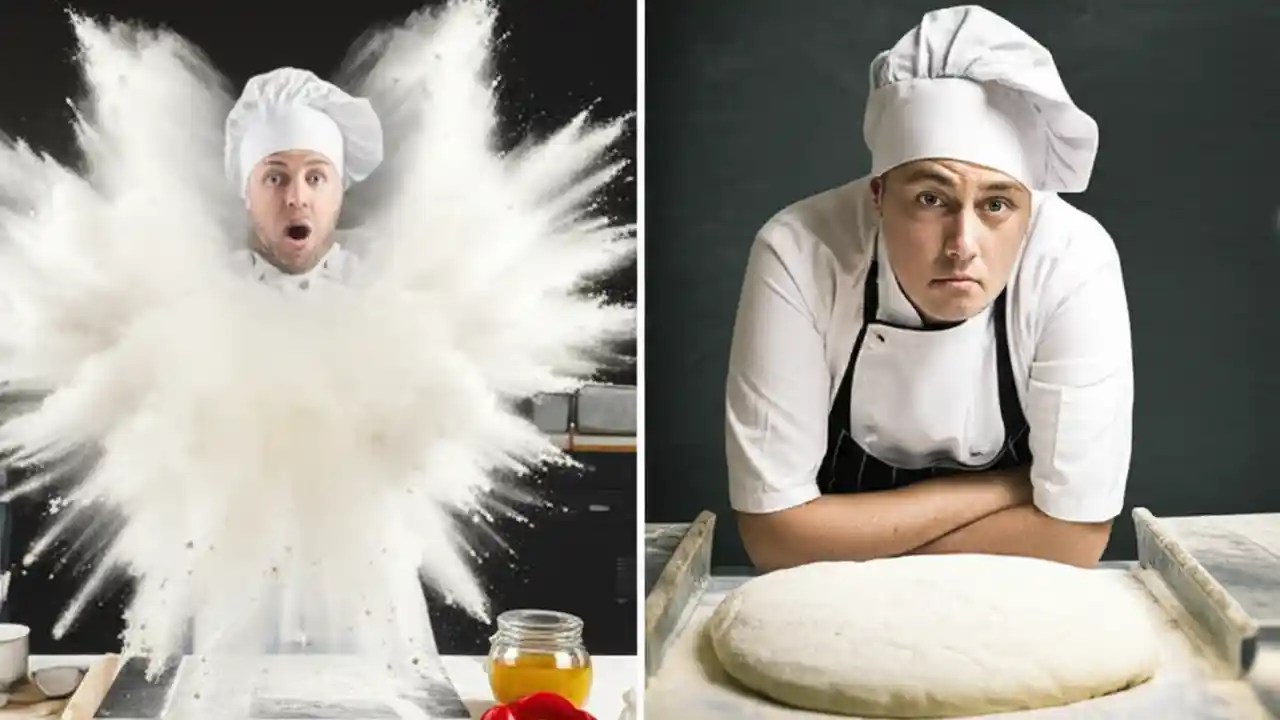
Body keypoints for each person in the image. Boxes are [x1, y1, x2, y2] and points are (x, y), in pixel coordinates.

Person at [724, 5, 1133, 572]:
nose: (962, 244)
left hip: (1006, 608)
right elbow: (774, 539)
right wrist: (1006, 490)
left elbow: (1075, 541)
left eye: (996, 205)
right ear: (878, 195)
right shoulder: (799, 250)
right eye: (931, 200)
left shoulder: (1072, 259)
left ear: (1028, 210)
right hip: (832, 612)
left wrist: (838, 536)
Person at [224, 67, 383, 291]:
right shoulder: (210, 287)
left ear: (340, 191)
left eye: (315, 178)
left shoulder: (379, 288)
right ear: (247, 193)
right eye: (275, 179)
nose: (296, 198)